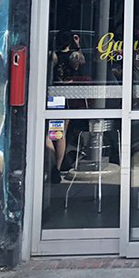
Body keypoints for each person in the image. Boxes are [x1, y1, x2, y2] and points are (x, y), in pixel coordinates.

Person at [45, 30, 86, 183]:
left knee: (49, 133)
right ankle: (57, 166)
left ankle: (50, 167)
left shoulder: (52, 56)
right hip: (66, 97)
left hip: (53, 96)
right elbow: (82, 64)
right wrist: (78, 46)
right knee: (60, 134)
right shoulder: (73, 56)